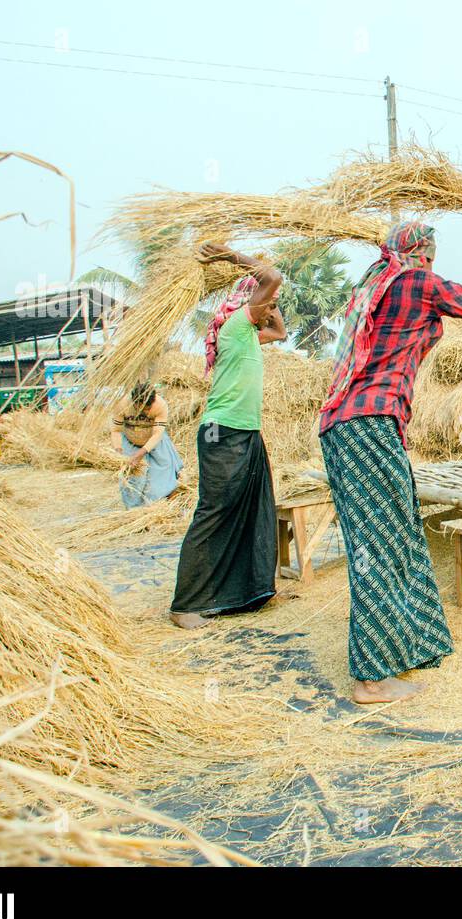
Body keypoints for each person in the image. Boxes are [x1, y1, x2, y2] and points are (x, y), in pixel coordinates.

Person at [319, 206, 462, 704]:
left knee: (398, 535)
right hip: (369, 424)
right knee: (382, 544)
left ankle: (412, 645)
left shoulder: (376, 283)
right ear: (419, 253)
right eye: (431, 254)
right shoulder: (415, 282)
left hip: (350, 425)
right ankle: (372, 678)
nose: (431, 262)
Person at [169, 242, 287, 629]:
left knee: (252, 509)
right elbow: (271, 276)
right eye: (266, 304)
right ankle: (185, 605)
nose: (270, 308)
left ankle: (242, 592)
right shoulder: (236, 326)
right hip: (223, 433)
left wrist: (272, 305)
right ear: (245, 305)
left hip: (245, 432)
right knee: (214, 512)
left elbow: (280, 331)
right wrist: (229, 256)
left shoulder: (251, 335)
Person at [110, 382, 184, 508]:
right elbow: (116, 430)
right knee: (133, 476)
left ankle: (157, 503)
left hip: (155, 441)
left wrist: (141, 453)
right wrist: (118, 451)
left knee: (164, 469)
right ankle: (134, 510)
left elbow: (157, 434)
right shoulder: (122, 404)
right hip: (130, 440)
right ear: (134, 402)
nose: (145, 411)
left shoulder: (160, 405)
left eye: (148, 408)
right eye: (142, 408)